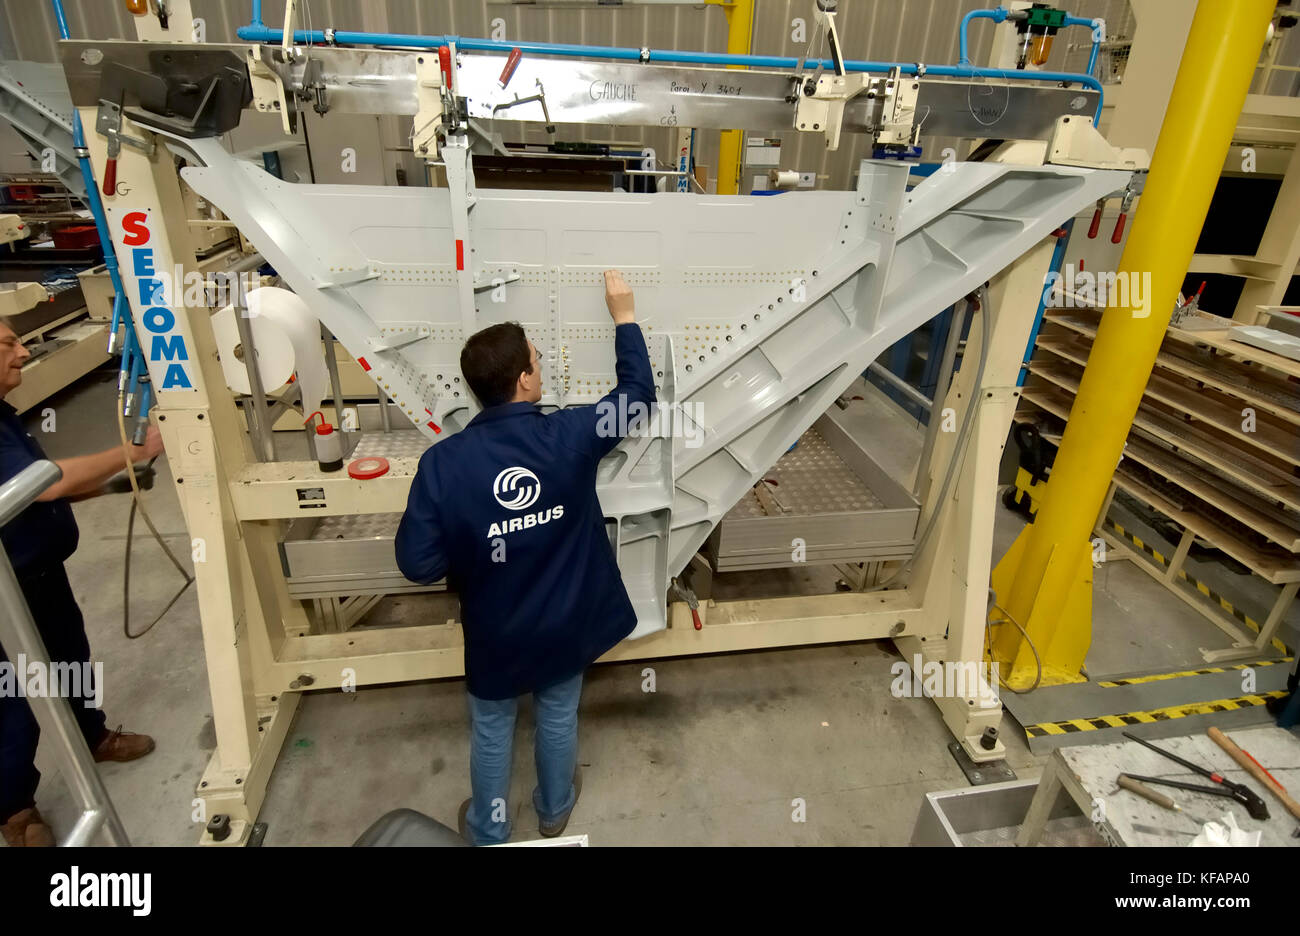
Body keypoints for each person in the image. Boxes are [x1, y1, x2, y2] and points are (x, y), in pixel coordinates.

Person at [396, 270, 654, 845]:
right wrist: (624, 315)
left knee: (492, 728)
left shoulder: (444, 465)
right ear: (524, 381)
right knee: (558, 713)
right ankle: (554, 809)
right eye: (537, 360)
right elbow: (636, 399)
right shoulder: (570, 434)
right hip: (563, 624)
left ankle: (489, 830)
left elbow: (418, 564)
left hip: (495, 631)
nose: (543, 367)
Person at [0, 317, 160, 847]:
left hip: (40, 574)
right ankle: (14, 807)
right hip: (6, 590)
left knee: (70, 657)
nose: (24, 353)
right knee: (11, 698)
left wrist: (112, 484)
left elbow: (42, 487)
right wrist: (134, 451)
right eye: (9, 344)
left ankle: (89, 735)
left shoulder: (5, 417)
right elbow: (44, 486)